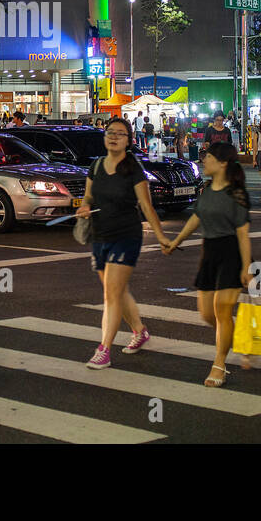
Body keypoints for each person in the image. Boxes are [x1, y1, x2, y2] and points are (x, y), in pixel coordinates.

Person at [75, 116, 170, 369]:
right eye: (110, 132)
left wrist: (160, 236)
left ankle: (104, 348)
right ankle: (139, 331)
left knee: (111, 294)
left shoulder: (133, 168)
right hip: (100, 235)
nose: (114, 136)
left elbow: (146, 206)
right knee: (116, 290)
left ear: (128, 140)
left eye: (120, 133)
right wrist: (84, 206)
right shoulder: (95, 166)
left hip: (126, 236)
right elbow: (87, 195)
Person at [163, 142, 252, 387]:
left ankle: (219, 364)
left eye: (208, 156)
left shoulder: (237, 193)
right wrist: (176, 241)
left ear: (222, 162)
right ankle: (235, 338)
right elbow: (197, 217)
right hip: (209, 253)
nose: (204, 160)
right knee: (207, 313)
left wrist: (246, 267)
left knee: (223, 309)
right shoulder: (208, 188)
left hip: (231, 253)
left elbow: (243, 233)